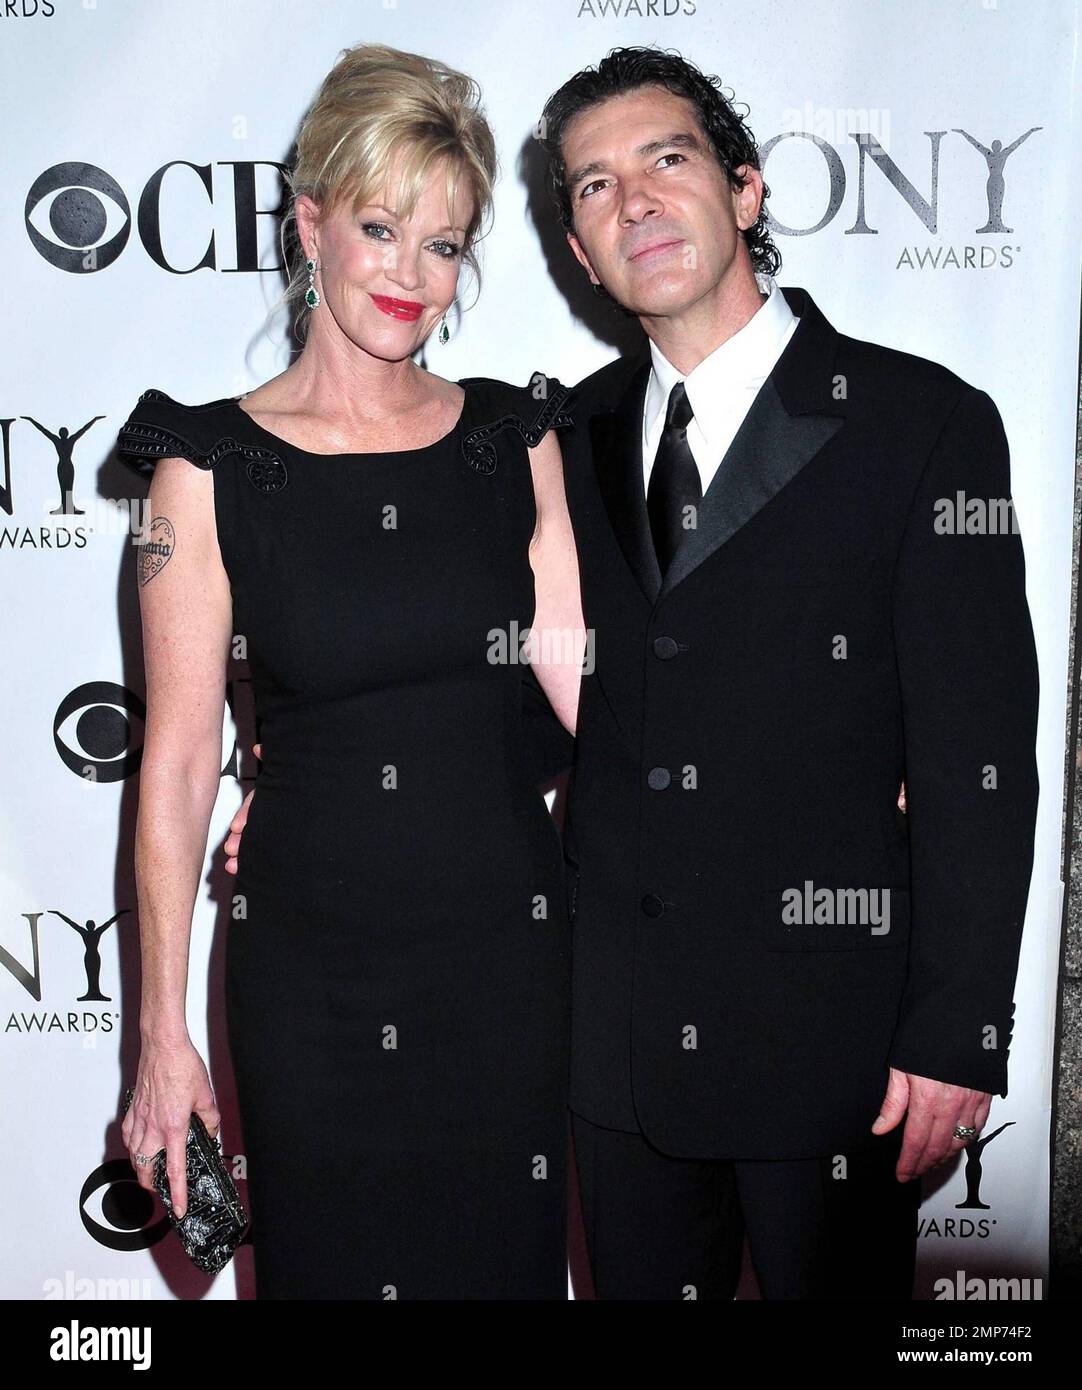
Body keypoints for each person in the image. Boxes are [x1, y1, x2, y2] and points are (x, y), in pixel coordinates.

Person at [530, 46, 1040, 1299]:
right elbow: (517, 685)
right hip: (620, 1055)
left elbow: (978, 759)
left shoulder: (920, 422)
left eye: (666, 159)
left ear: (746, 190)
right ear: (580, 254)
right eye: (592, 188)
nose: (633, 200)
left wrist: (959, 1027)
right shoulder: (562, 439)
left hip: (838, 1053)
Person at [116, 41, 585, 1299]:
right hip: (311, 970)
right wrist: (159, 1039)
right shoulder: (205, 469)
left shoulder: (510, 440)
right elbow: (169, 767)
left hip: (503, 954)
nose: (409, 275)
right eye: (380, 227)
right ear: (309, 221)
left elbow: (593, 694)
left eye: (443, 244)